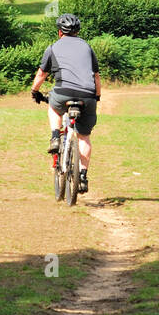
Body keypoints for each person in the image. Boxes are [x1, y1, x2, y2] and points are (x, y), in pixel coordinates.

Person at [30, 13, 101, 194]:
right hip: (88, 95)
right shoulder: (87, 47)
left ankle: (55, 137)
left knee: (54, 108)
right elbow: (96, 77)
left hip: (63, 93)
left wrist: (35, 91)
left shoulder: (53, 47)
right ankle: (83, 176)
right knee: (84, 136)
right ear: (77, 31)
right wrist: (96, 97)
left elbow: (41, 74)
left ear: (60, 32)